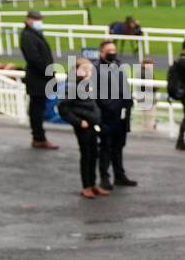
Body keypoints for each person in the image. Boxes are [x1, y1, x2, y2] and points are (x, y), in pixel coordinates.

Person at [55, 58, 108, 199]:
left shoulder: (87, 84)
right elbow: (62, 108)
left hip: (92, 125)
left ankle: (92, 184)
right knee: (86, 156)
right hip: (83, 127)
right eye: (86, 69)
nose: (89, 72)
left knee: (94, 154)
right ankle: (86, 186)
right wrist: (78, 122)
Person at [95, 40, 137, 189]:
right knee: (106, 146)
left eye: (114, 49)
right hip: (106, 115)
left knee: (119, 146)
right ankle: (104, 177)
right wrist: (112, 105)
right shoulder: (96, 69)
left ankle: (119, 175)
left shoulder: (119, 66)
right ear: (102, 52)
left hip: (121, 115)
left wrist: (128, 102)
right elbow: (97, 94)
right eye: (109, 50)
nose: (113, 52)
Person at [20, 10, 57, 149]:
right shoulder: (28, 36)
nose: (39, 22)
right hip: (37, 78)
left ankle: (39, 136)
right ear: (29, 20)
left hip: (40, 77)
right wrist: (48, 72)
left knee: (38, 108)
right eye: (37, 19)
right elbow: (34, 58)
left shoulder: (33, 34)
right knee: (36, 109)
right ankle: (39, 137)